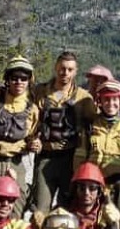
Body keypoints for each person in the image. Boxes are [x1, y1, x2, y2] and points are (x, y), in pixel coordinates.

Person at [32, 51, 94, 212]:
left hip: (71, 159)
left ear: (75, 71)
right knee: (40, 207)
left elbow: (97, 124)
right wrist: (33, 139)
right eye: (61, 68)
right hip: (45, 157)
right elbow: (28, 119)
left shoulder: (84, 98)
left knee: (68, 208)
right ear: (55, 67)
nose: (64, 73)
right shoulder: (39, 92)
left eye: (69, 69)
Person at [0, 56, 41, 198]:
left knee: (18, 200)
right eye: (14, 78)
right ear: (7, 79)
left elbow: (32, 136)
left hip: (15, 161)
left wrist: (35, 144)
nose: (19, 82)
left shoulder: (32, 110)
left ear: (29, 80)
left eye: (23, 78)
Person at [73, 80, 120, 210]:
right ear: (100, 102)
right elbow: (79, 158)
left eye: (115, 100)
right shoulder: (90, 127)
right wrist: (78, 185)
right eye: (106, 100)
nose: (111, 104)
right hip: (94, 188)